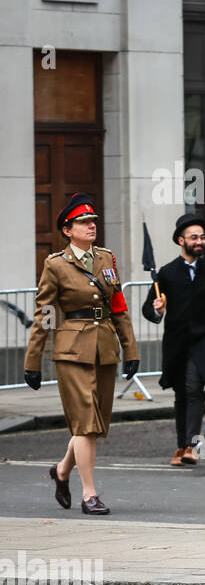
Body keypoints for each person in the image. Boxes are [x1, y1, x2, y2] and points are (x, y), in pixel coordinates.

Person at [23, 195, 140, 515]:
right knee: (86, 423)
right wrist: (32, 360)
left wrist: (130, 348)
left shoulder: (106, 258)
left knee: (95, 424)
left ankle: (61, 471)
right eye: (84, 223)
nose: (92, 226)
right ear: (67, 229)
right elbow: (45, 312)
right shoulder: (56, 265)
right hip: (71, 350)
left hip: (104, 348)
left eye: (93, 222)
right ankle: (90, 494)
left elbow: (118, 307)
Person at [142, 214, 205, 466]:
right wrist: (157, 309)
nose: (199, 241)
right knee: (181, 393)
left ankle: (193, 446)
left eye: (202, 237)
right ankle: (180, 446)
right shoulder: (167, 273)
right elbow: (147, 310)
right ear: (181, 240)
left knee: (194, 388)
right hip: (176, 343)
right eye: (194, 237)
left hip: (202, 342)